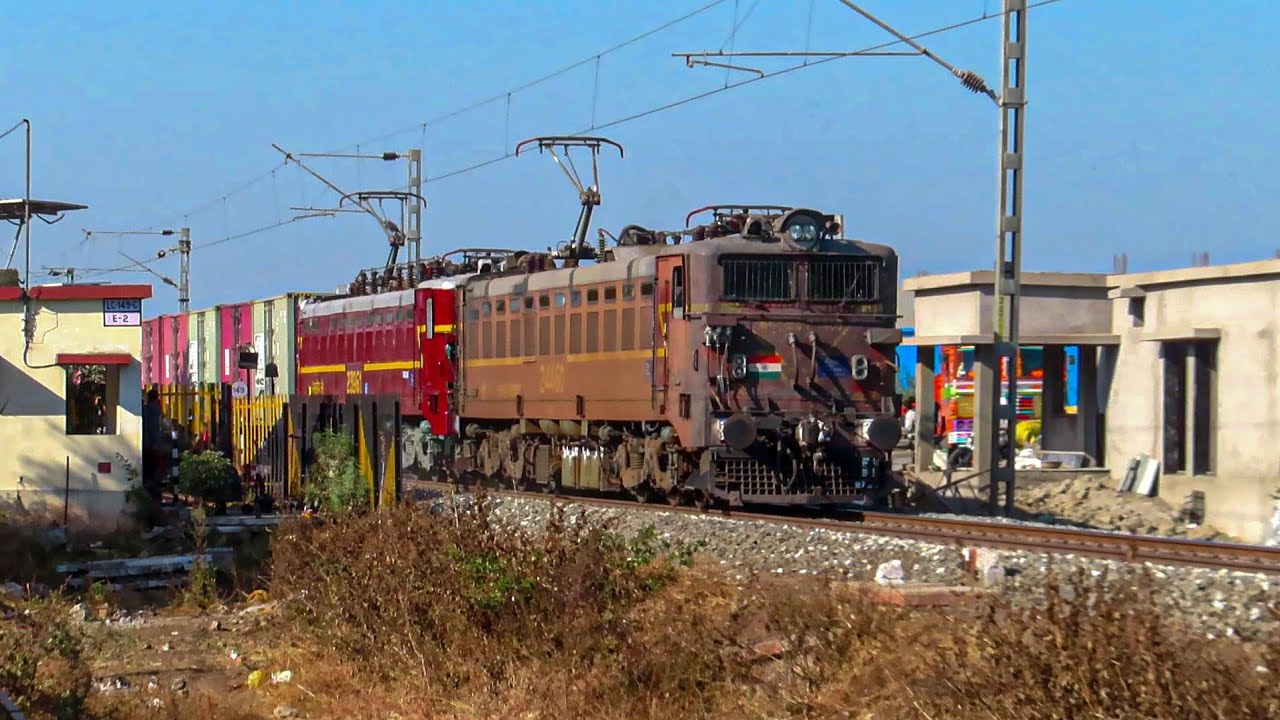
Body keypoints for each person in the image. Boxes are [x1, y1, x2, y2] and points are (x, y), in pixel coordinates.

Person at [141, 389, 162, 501]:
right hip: (151, 445)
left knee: (148, 470)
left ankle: (149, 491)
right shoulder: (154, 410)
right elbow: (155, 428)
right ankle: (152, 492)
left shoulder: (145, 409)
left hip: (145, 444)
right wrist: (155, 443)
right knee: (152, 471)